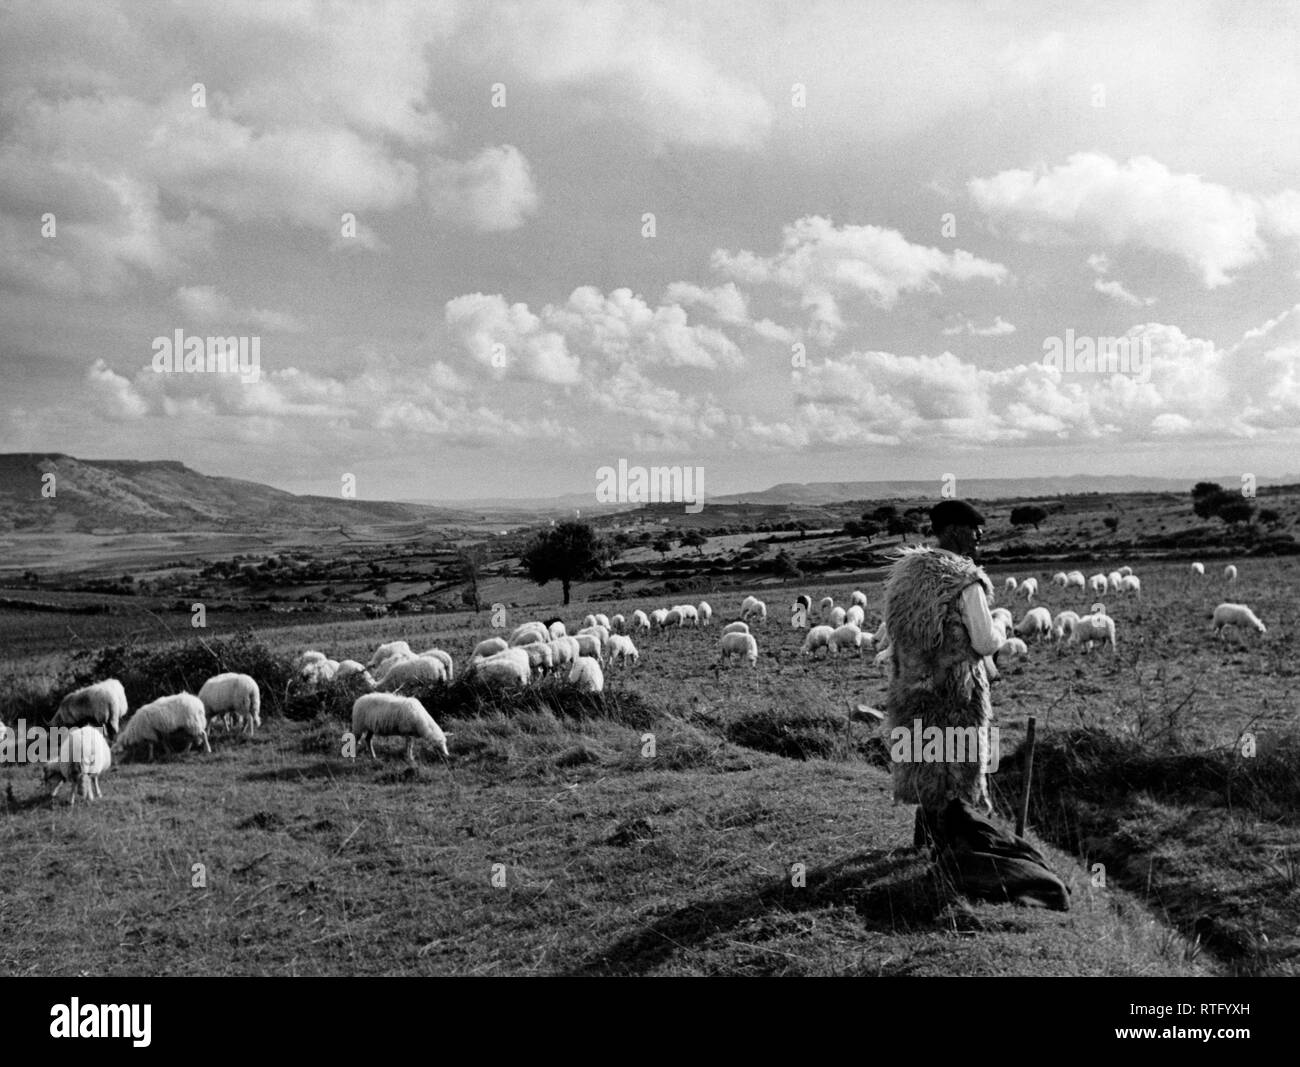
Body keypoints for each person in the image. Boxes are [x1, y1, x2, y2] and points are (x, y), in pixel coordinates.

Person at [880, 499, 1069, 909]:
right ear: (953, 530)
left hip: (913, 690)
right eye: (974, 529)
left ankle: (926, 842)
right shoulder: (964, 580)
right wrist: (1000, 626)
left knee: (927, 763)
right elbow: (983, 642)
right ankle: (959, 856)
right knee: (960, 771)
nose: (980, 536)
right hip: (956, 693)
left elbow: (893, 634)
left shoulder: (906, 577)